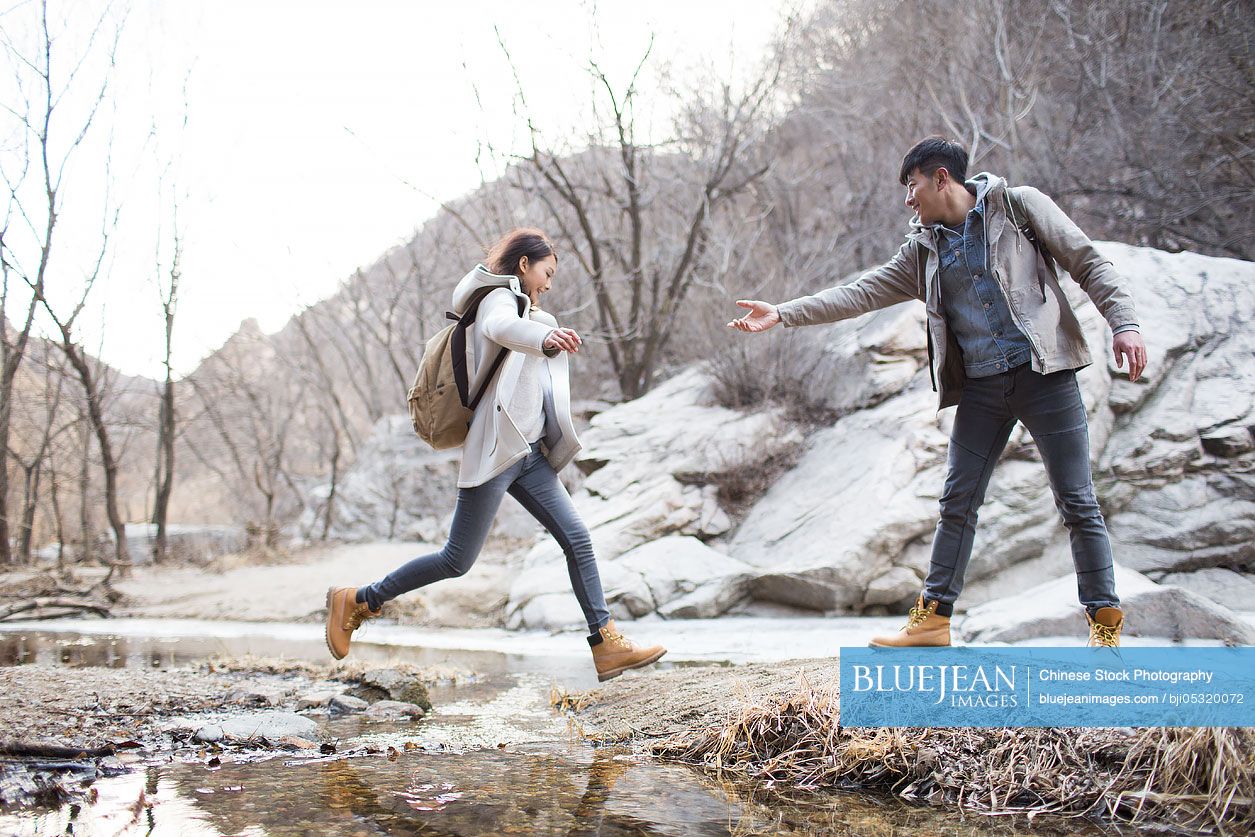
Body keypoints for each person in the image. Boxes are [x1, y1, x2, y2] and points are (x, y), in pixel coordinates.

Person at [728, 137, 1148, 648]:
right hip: (980, 391)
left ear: (941, 178)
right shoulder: (922, 251)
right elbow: (860, 292)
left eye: (913, 185)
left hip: (1045, 377)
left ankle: (1105, 627)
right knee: (956, 500)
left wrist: (1123, 323)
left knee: (1077, 501)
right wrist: (785, 312)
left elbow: (1089, 262)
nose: (909, 198)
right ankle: (933, 620)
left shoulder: (1019, 207)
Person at [326, 228, 666, 680]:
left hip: (528, 456)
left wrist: (548, 338)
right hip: (494, 451)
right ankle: (361, 599)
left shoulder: (532, 312)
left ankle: (605, 643)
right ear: (523, 265)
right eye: (546, 272)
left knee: (577, 539)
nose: (549, 283)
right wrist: (545, 340)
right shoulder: (496, 300)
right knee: (456, 560)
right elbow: (499, 329)